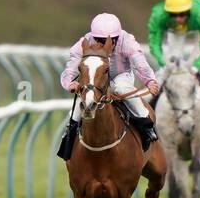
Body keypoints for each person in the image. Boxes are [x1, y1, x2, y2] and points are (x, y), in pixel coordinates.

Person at [58, 12, 161, 159]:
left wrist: (150, 81)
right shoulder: (84, 43)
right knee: (78, 107)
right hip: (95, 80)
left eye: (112, 39)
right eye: (100, 39)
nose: (106, 43)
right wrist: (70, 84)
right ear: (93, 36)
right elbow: (71, 67)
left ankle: (147, 128)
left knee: (121, 88)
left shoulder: (127, 41)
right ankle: (67, 140)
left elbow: (140, 65)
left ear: (118, 36)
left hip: (120, 76)